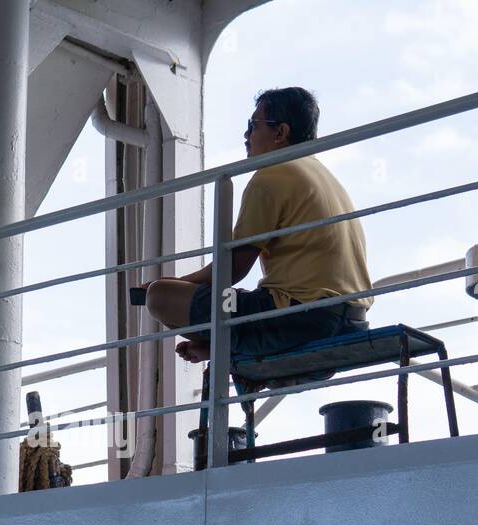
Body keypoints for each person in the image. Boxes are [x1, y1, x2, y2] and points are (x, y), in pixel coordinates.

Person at [143, 87, 373, 364]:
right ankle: (221, 347)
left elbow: (231, 270)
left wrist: (173, 284)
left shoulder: (272, 175)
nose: (246, 135)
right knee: (231, 304)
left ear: (280, 133)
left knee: (160, 297)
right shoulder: (321, 174)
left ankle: (220, 342)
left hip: (300, 317)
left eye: (253, 125)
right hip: (350, 317)